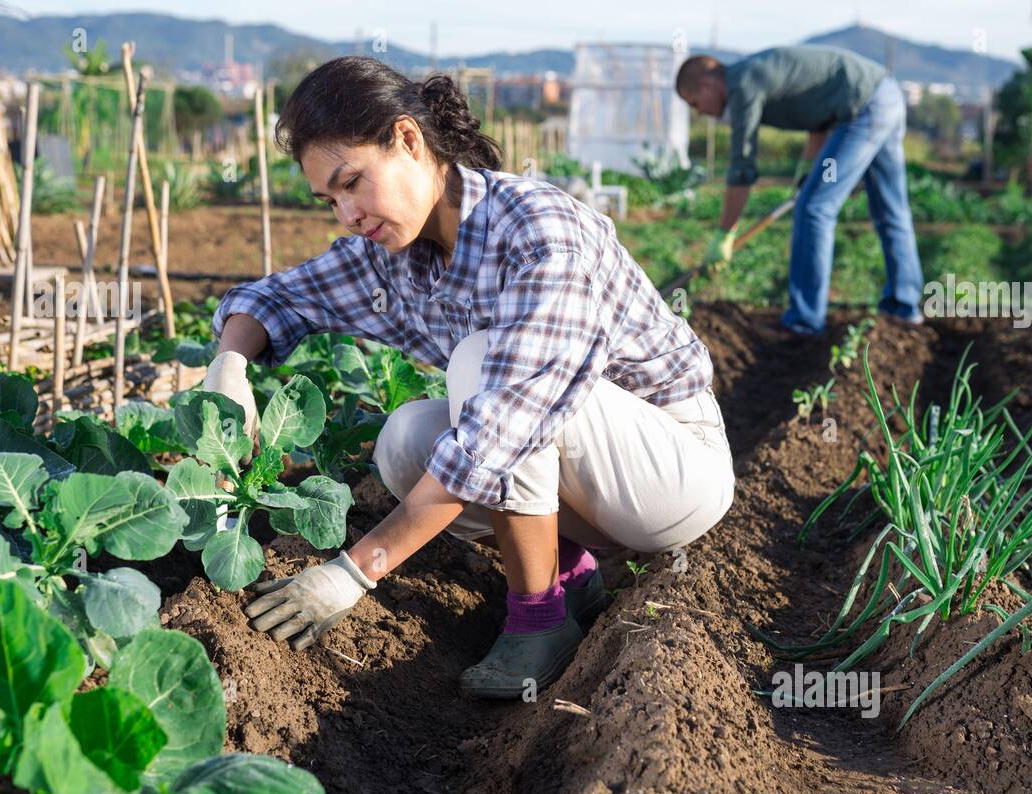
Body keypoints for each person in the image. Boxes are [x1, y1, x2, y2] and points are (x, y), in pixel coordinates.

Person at [204, 56, 736, 700]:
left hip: (672, 474)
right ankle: (571, 572)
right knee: (405, 439)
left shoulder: (541, 233)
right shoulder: (390, 254)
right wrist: (229, 364)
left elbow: (502, 432)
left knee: (481, 366)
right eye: (330, 199)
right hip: (588, 479)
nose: (346, 213)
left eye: (352, 183)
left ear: (408, 139)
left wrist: (354, 571)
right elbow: (274, 299)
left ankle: (538, 614)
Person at [676, 46, 925, 335]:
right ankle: (904, 308)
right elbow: (819, 122)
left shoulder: (743, 85)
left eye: (695, 103)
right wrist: (807, 172)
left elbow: (741, 169)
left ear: (707, 84)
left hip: (864, 108)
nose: (699, 112)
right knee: (889, 209)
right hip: (884, 96)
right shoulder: (756, 74)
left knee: (815, 209)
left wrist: (724, 234)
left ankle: (804, 321)